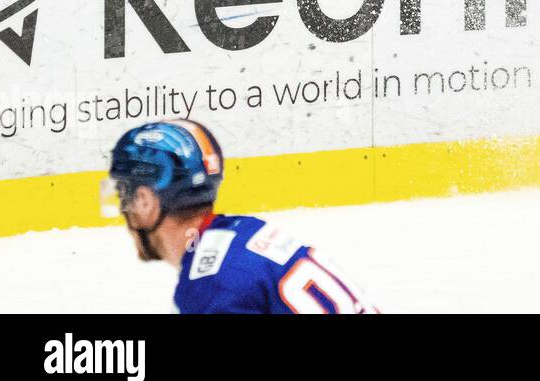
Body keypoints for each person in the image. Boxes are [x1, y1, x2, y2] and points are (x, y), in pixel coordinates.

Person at [106, 119, 378, 313]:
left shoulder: (210, 289)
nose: (122, 209)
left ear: (145, 201)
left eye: (124, 195)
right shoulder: (242, 233)